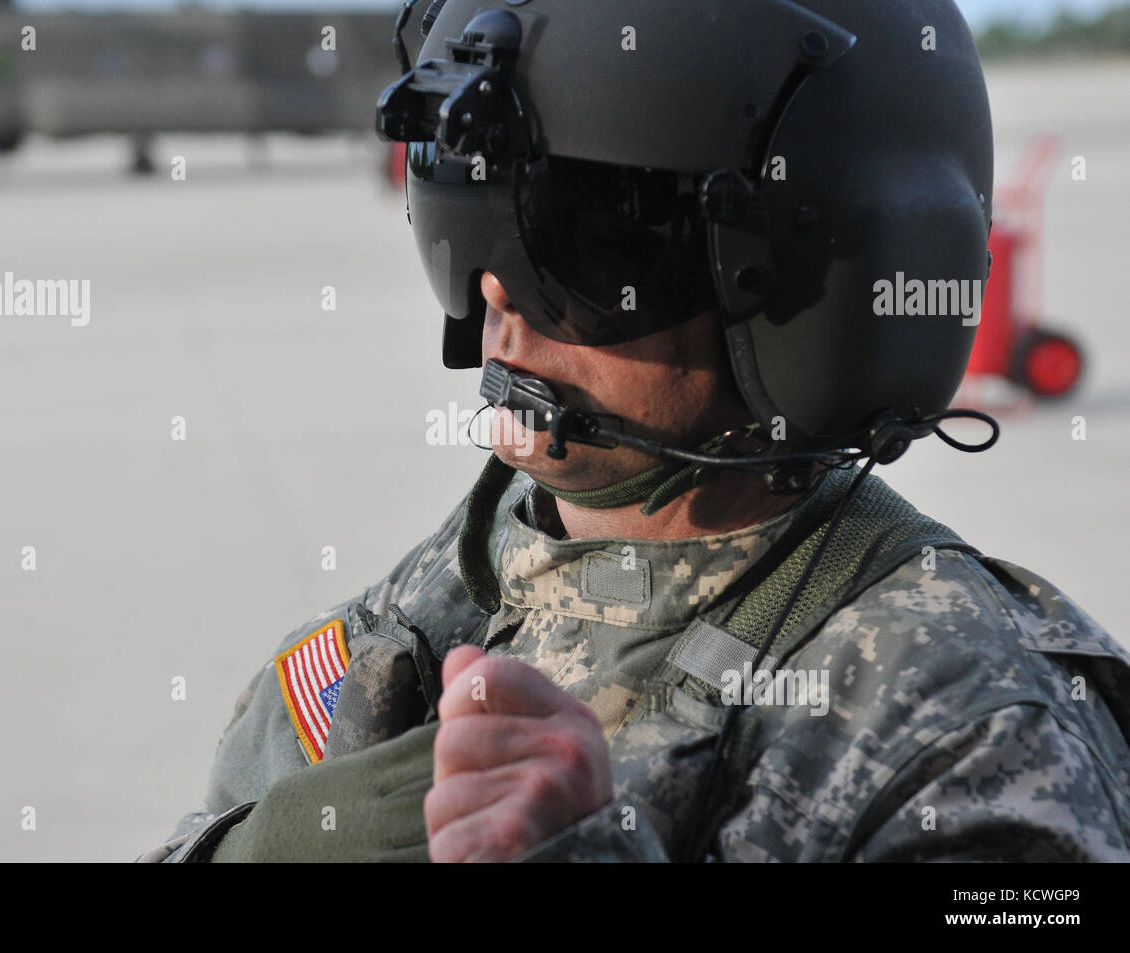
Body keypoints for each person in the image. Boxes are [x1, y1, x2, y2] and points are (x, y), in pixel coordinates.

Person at [138, 0, 1130, 863]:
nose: (495, 291)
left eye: (584, 234)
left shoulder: (969, 714)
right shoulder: (471, 567)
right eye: (472, 208)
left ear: (799, 286)